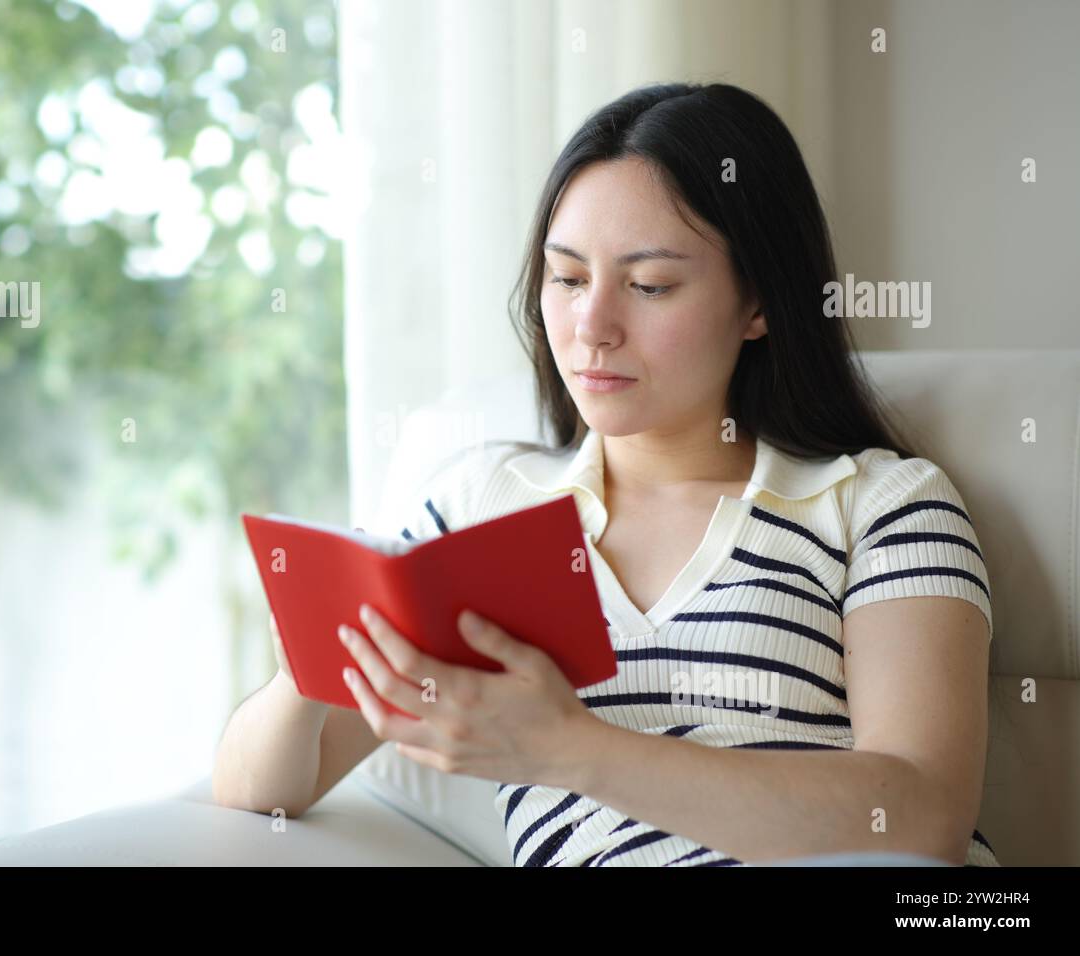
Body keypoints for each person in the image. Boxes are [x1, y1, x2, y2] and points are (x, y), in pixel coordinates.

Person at [213, 82, 999, 867]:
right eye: (567, 278)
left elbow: (923, 815)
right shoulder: (485, 506)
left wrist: (570, 748)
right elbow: (265, 787)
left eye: (649, 285)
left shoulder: (882, 505)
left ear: (758, 302)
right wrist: (304, 668)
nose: (592, 328)